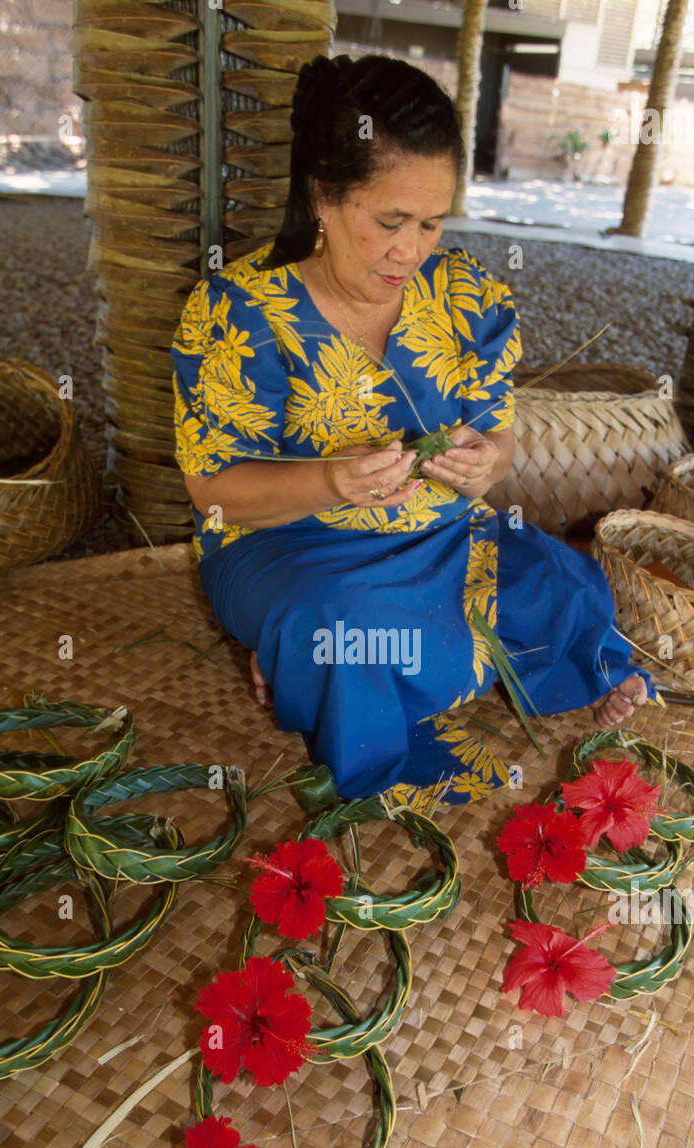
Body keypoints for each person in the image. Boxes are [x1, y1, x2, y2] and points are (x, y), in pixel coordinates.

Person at [171, 53, 655, 811]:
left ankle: (307, 667)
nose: (411, 249)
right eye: (389, 221)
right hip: (293, 545)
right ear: (322, 198)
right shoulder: (242, 314)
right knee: (336, 626)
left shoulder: (462, 295)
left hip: (439, 532)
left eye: (431, 222)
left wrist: (482, 462)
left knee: (557, 578)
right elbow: (213, 492)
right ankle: (335, 694)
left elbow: (498, 440)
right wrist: (332, 481)